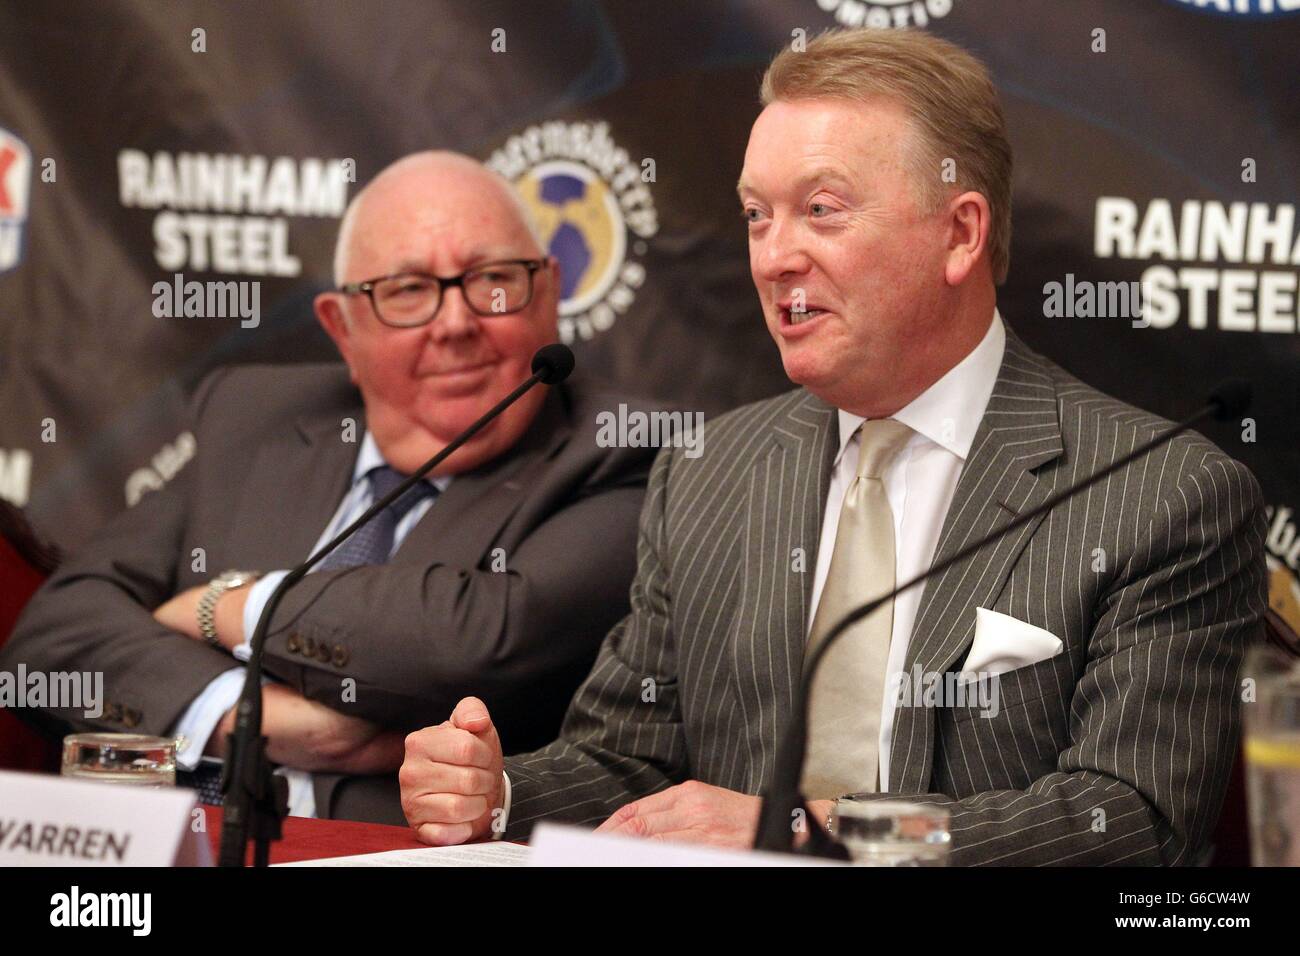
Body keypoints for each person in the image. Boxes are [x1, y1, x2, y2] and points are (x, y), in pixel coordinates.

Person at [398, 30, 1267, 865]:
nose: (775, 257)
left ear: (960, 233)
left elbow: (1126, 824)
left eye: (821, 210)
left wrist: (818, 835)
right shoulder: (711, 471)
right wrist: (499, 791)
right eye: (755, 216)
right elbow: (633, 763)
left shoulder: (1158, 494)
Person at [2, 151, 661, 824]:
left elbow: (483, 641)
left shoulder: (621, 448)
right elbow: (53, 636)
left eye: (492, 280)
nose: (457, 322)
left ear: (548, 291)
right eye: (407, 290)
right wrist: (252, 717)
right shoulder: (256, 415)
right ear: (341, 328)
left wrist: (223, 606)